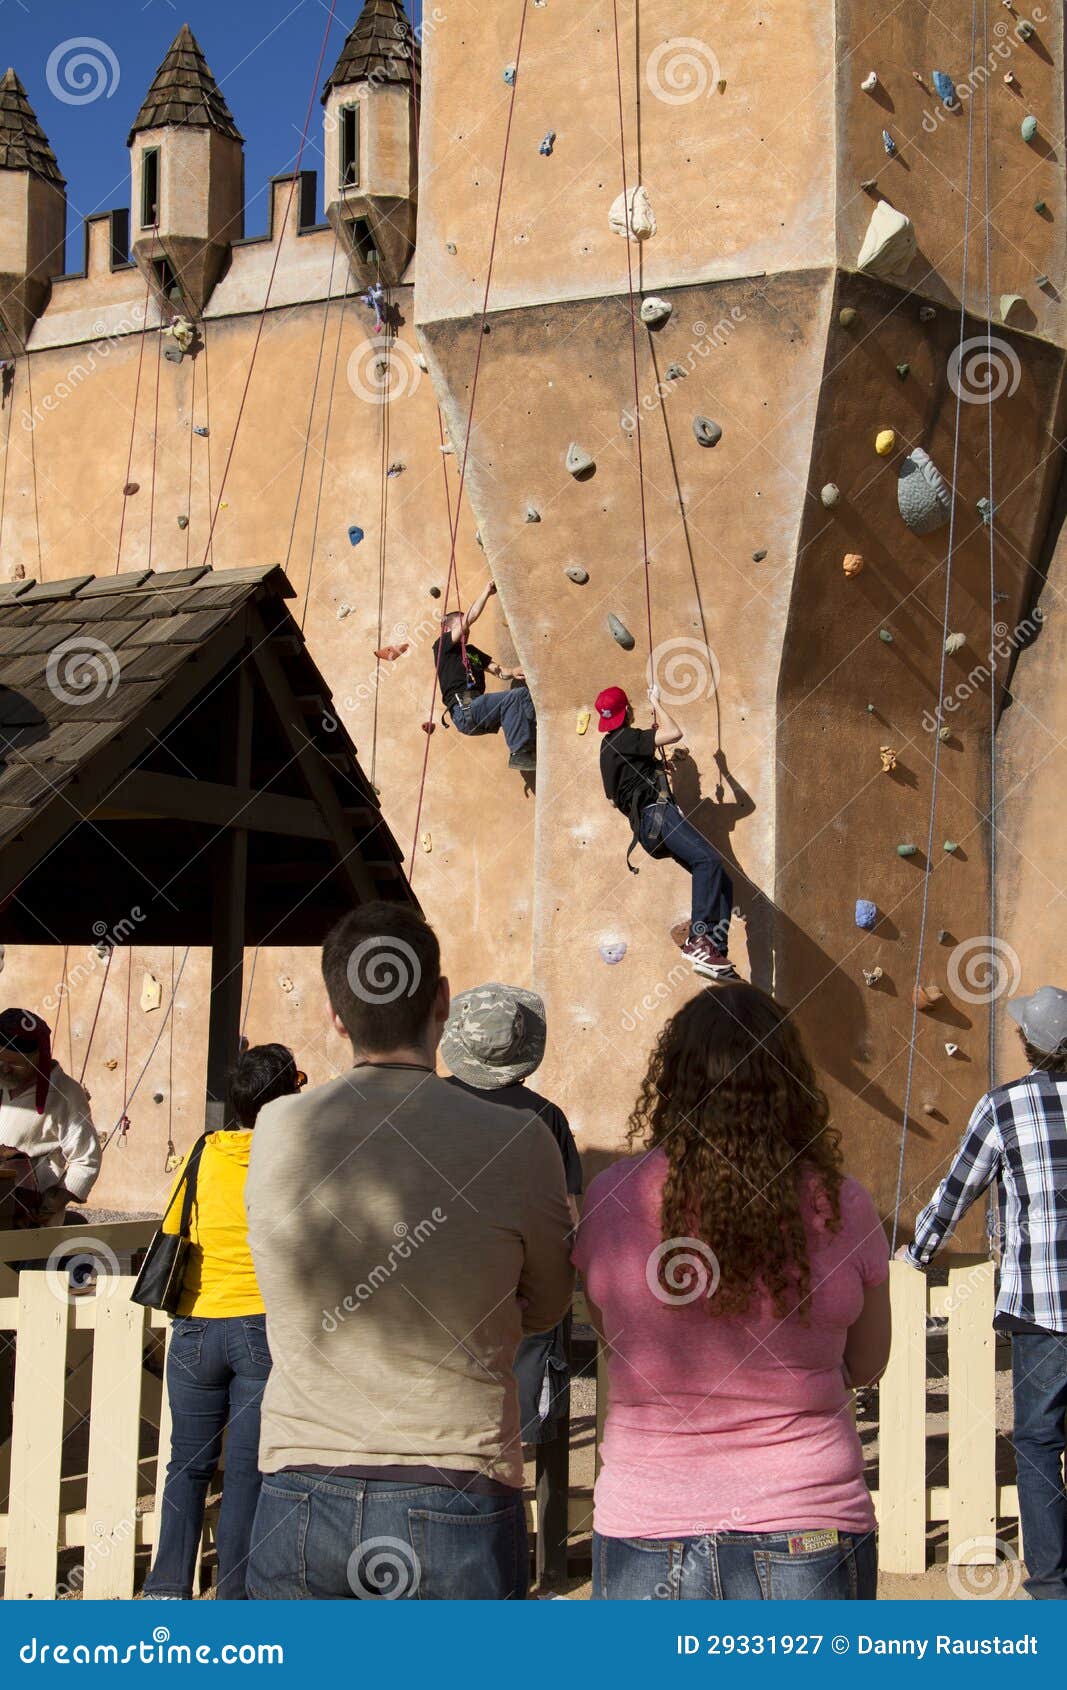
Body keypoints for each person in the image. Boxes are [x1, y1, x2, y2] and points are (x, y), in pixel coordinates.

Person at [244, 903, 574, 1601]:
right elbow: (547, 1303)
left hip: (303, 1474)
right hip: (455, 1476)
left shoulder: (276, 1128)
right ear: (442, 1003)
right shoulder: (521, 1141)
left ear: (337, 1015)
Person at [573, 984, 890, 1601]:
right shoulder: (842, 1204)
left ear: (673, 1082)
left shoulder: (612, 1197)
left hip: (649, 1519)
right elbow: (868, 1362)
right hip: (806, 1519)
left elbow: (617, 1340)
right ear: (790, 1084)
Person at [899, 984, 1067, 1601]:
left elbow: (955, 1192)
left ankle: (1052, 1586)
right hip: (1043, 1309)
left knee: (1038, 1442)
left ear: (1028, 1044)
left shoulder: (1003, 1107)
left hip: (1042, 1309)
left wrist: (914, 1255)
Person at [143, 1043, 302, 1601]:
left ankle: (165, 1588)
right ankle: (233, 1597)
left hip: (195, 1322)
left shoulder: (202, 1152)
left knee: (185, 1464)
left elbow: (175, 1223)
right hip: (260, 1321)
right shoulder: (295, 1156)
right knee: (245, 1473)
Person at [442, 983, 582, 1444]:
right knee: (514, 1444)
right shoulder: (547, 1118)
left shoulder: (418, 1106)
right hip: (520, 1312)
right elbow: (568, 1219)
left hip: (434, 1309)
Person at [595, 684, 736, 980]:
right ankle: (700, 940)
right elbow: (674, 733)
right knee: (708, 861)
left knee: (720, 878)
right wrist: (657, 702)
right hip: (658, 815)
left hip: (646, 831)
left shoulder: (607, 748)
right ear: (628, 711)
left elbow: (611, 800)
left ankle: (714, 950)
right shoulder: (627, 737)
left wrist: (652, 769)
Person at [0, 1008, 100, 1222]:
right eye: (1, 1060)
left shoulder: (66, 1094)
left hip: (29, 1220)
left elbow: (86, 1159)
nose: (5, 1069)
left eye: (15, 1064)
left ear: (40, 1057)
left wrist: (56, 1199)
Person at [432, 577, 536, 771]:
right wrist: (486, 592)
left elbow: (499, 671)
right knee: (517, 697)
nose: (466, 630)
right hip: (464, 709)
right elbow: (469, 618)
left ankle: (531, 742)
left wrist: (513, 672)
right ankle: (519, 752)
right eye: (461, 626)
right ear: (447, 630)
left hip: (477, 709)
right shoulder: (442, 647)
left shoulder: (471, 652)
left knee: (523, 698)